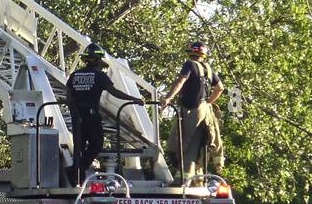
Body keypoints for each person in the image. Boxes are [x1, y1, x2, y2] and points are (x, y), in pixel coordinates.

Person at [65, 43, 143, 184]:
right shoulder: (99, 76)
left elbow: (68, 95)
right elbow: (114, 92)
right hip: (91, 116)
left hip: (77, 117)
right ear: (97, 60)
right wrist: (134, 99)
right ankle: (79, 169)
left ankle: (76, 172)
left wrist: (73, 111)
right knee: (96, 144)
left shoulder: (75, 75)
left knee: (79, 147)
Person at [159, 41, 225, 179]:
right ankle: (198, 175)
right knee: (199, 142)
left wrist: (168, 98)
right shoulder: (208, 68)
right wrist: (208, 103)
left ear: (191, 53)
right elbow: (220, 88)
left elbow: (180, 81)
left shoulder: (189, 65)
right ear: (204, 54)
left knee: (185, 142)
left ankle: (183, 177)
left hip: (192, 110)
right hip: (204, 110)